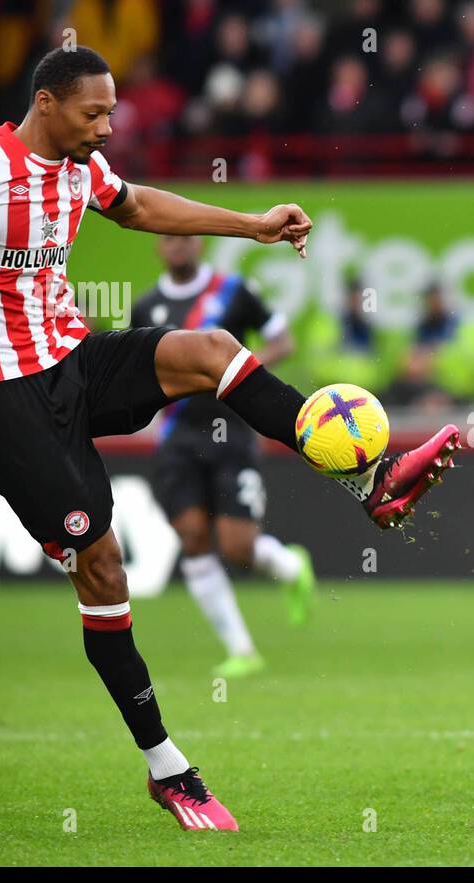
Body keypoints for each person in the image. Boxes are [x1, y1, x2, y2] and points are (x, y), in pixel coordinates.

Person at [0, 46, 460, 832]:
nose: (108, 128)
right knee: (102, 566)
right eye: (94, 113)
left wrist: (250, 225)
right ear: (46, 104)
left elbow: (138, 206)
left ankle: (368, 481)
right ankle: (168, 767)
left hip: (71, 363)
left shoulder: (80, 167)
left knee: (210, 349)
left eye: (112, 113)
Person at [132, 235, 315, 679]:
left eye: (185, 238)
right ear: (158, 247)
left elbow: (283, 341)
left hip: (232, 429)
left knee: (237, 547)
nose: (177, 245)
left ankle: (290, 566)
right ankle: (242, 649)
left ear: (199, 244)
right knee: (192, 536)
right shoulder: (145, 308)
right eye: (168, 238)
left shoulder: (236, 292)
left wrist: (240, 371)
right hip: (176, 435)